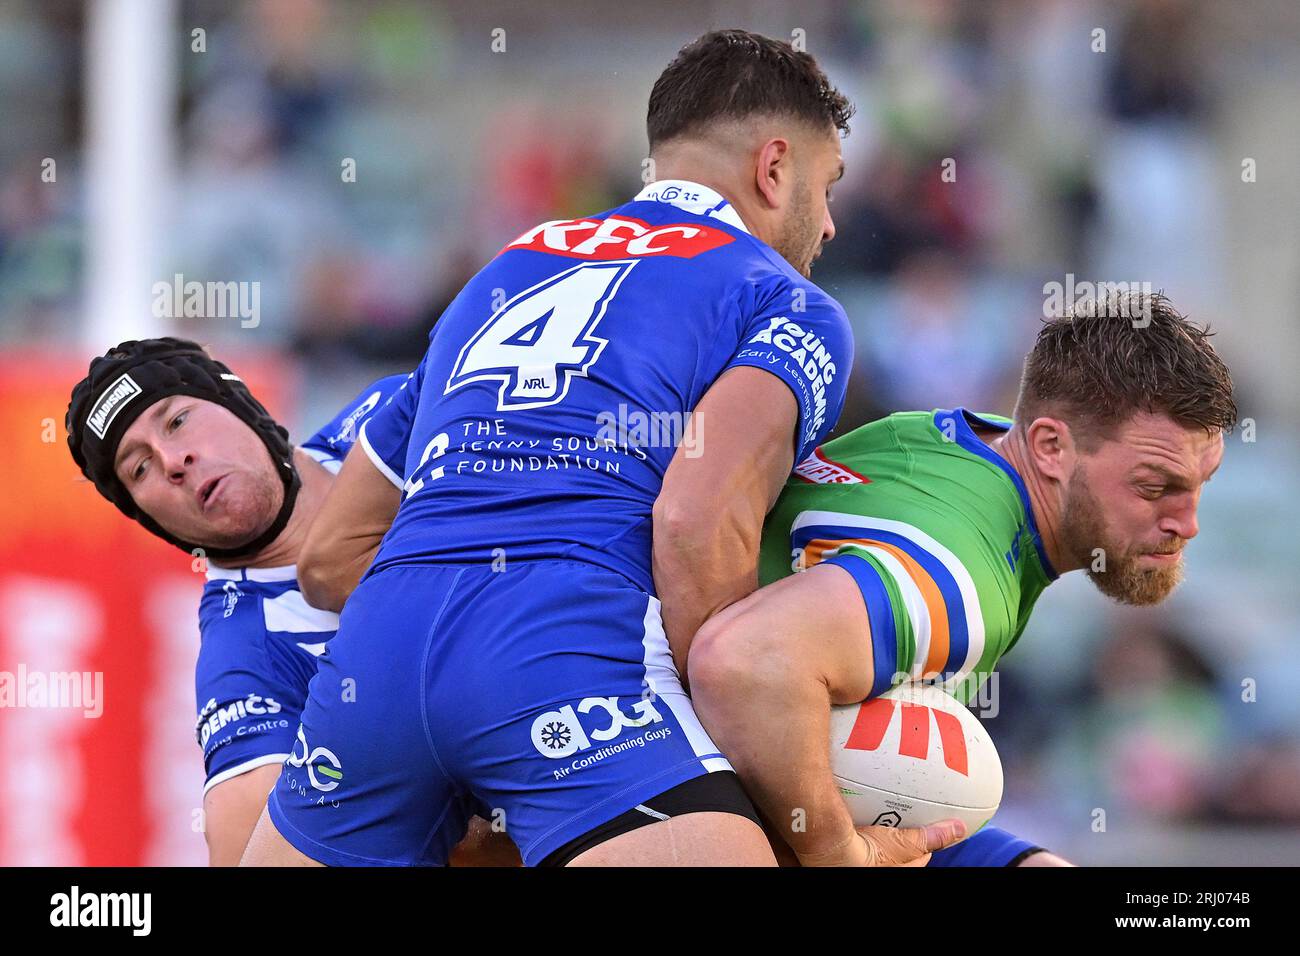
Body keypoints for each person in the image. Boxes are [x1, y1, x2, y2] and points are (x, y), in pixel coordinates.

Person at [242, 29, 963, 868]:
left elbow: (331, 557)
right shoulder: (783, 300)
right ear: (774, 168)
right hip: (571, 650)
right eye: (827, 185)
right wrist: (789, 803)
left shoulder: (499, 274)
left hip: (381, 662)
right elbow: (698, 524)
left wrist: (455, 681)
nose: (832, 224)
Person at [686, 292, 1235, 866]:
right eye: (1154, 487)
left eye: (1203, 481)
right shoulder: (962, 581)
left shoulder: (966, 444)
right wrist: (836, 853)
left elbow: (878, 798)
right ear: (1051, 448)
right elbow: (744, 661)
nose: (1188, 524)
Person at [66, 337, 420, 864]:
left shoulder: (390, 417)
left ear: (239, 401)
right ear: (151, 521)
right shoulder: (244, 655)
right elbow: (243, 849)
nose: (172, 460)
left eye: (177, 420)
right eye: (138, 469)